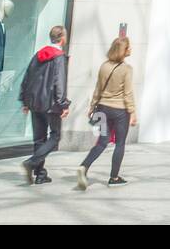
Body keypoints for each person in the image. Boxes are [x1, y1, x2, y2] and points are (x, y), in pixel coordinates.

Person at [77, 37, 138, 189]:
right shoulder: (126, 69)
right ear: (123, 51)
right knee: (120, 143)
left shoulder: (104, 66)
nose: (130, 50)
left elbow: (98, 88)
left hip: (103, 109)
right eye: (128, 47)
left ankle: (84, 166)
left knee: (102, 142)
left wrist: (92, 106)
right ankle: (114, 177)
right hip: (120, 112)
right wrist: (133, 112)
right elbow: (128, 93)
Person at [18, 25, 69, 185]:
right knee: (55, 136)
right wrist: (63, 104)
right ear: (62, 39)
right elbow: (59, 82)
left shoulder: (38, 55)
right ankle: (32, 163)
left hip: (34, 102)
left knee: (39, 139)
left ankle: (40, 174)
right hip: (51, 103)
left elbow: (27, 78)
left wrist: (25, 101)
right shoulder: (59, 57)